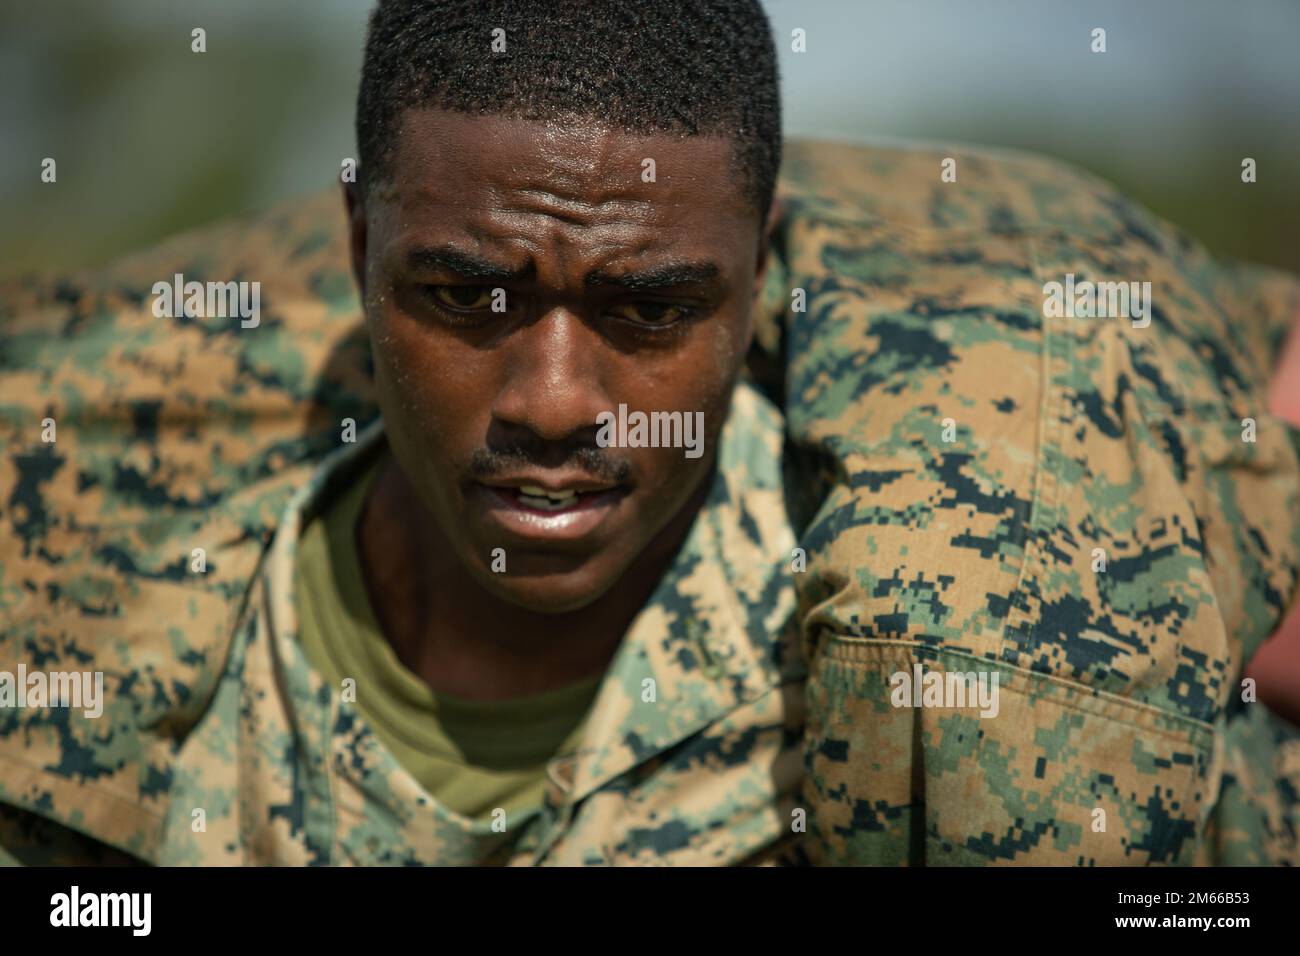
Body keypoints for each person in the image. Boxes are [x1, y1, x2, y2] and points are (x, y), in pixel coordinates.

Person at [0, 0, 1297, 866]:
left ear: (763, 269)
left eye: (653, 307)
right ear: (356, 245)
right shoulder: (115, 666)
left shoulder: (953, 672)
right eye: (467, 297)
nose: (556, 402)